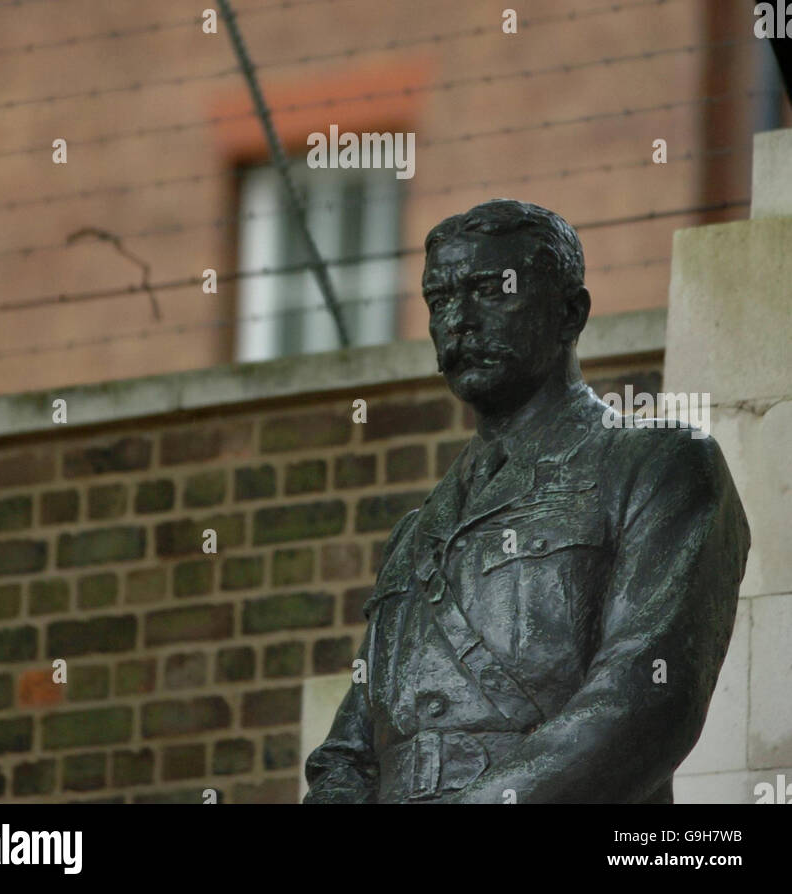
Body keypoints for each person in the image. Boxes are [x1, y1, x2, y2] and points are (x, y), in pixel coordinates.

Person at [303, 199, 749, 804]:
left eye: (491, 290)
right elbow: (349, 748)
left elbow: (643, 700)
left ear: (571, 313)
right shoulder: (415, 535)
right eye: (439, 300)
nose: (458, 319)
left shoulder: (660, 464)